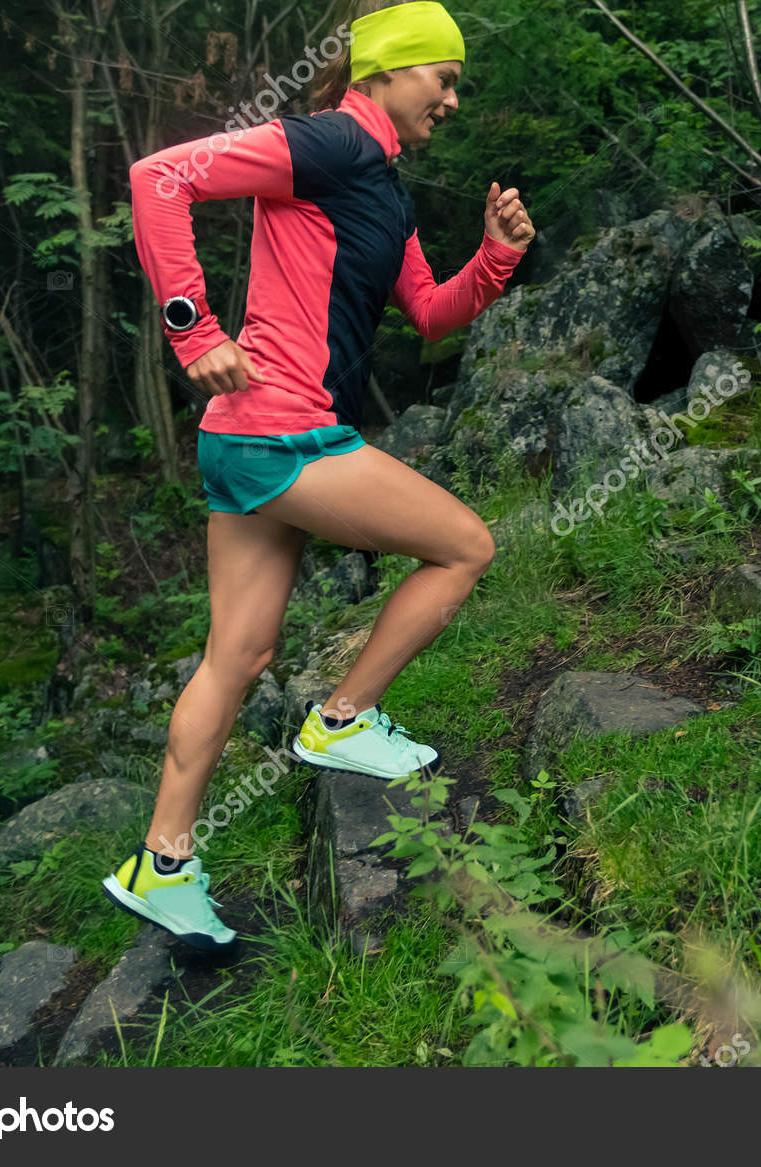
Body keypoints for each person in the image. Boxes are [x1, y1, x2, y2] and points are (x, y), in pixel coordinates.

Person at [102, 0, 535, 950]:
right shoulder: (335, 141)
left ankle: (161, 862)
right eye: (443, 77)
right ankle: (344, 717)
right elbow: (158, 176)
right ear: (385, 71)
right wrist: (193, 328)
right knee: (466, 545)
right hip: (281, 432)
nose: (453, 100)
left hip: (248, 437)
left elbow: (428, 310)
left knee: (237, 656)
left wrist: (497, 259)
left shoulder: (381, 187)